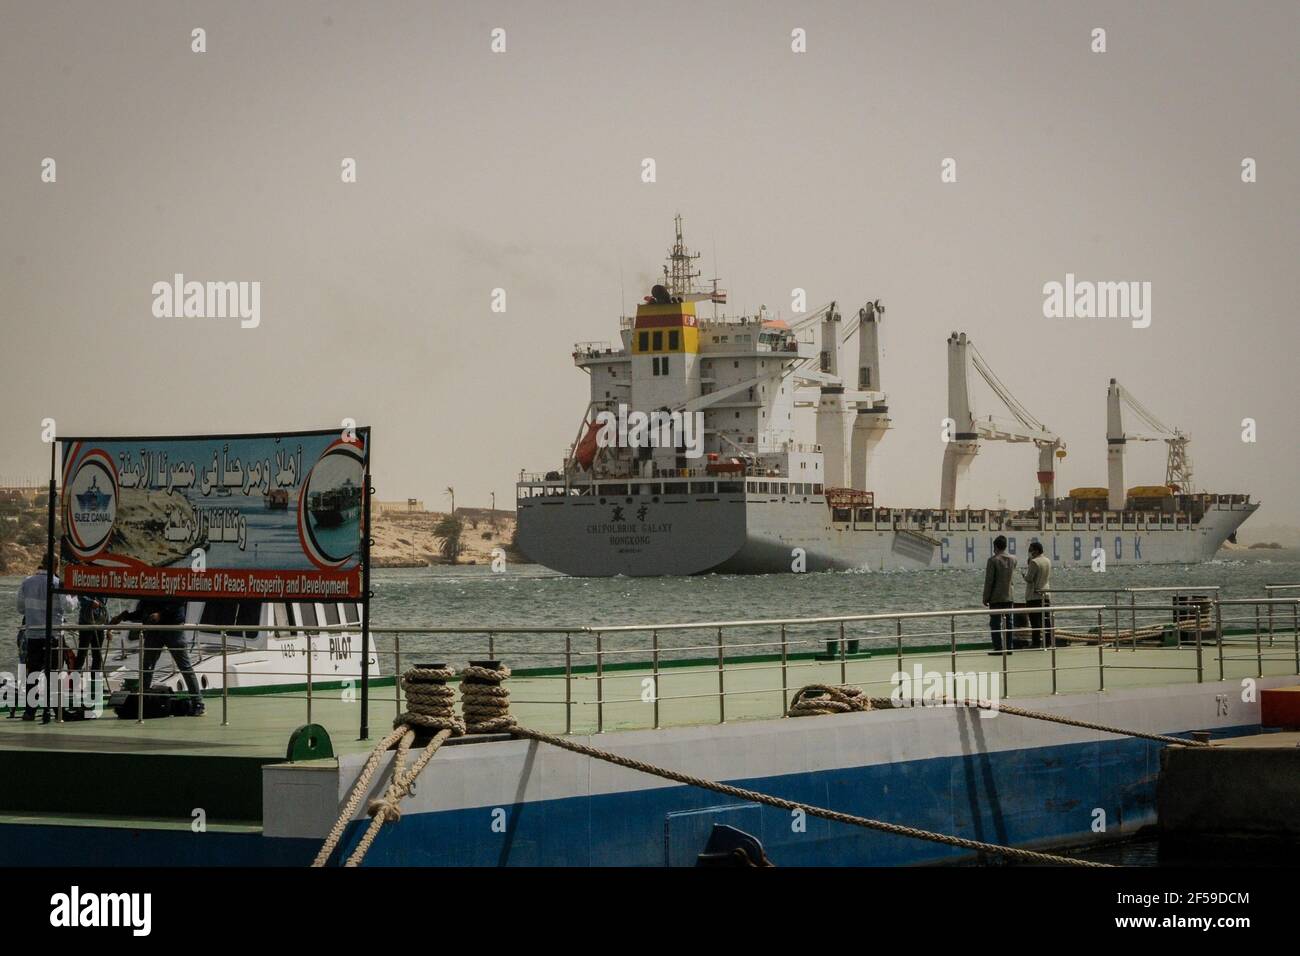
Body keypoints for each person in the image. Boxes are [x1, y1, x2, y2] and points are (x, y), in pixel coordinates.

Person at [109, 598, 204, 715]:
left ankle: (198, 703)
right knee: (147, 667)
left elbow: (179, 602)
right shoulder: (147, 595)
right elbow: (143, 613)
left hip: (172, 628)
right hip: (153, 630)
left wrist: (161, 614)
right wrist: (125, 616)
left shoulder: (171, 590)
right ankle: (143, 702)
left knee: (184, 666)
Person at [15, 554, 79, 722]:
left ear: (42, 563)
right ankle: (56, 710)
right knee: (54, 674)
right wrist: (75, 596)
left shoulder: (27, 582)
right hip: (53, 635)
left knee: (33, 674)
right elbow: (68, 607)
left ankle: (30, 712)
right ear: (56, 565)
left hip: (33, 635)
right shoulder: (57, 583)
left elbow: (20, 608)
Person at [982, 536, 1016, 655]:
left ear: (995, 546)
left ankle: (998, 648)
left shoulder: (992, 561)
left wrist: (985, 597)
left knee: (995, 623)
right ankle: (1009, 647)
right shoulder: (1013, 559)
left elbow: (989, 581)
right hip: (1009, 596)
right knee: (1009, 623)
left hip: (995, 597)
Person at [1021, 541, 1052, 648]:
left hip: (1034, 595)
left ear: (1037, 550)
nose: (1030, 552)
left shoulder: (1034, 562)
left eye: (1031, 550)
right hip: (1046, 593)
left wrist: (1024, 575)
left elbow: (1029, 578)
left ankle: (1036, 643)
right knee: (1046, 620)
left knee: (1035, 621)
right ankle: (1048, 642)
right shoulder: (1048, 560)